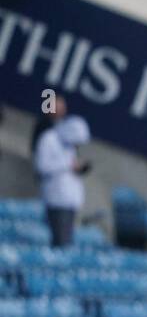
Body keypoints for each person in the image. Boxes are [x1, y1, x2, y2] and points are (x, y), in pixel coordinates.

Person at [32, 95, 89, 248]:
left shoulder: (68, 144)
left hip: (69, 198)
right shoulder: (47, 137)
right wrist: (68, 165)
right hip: (56, 197)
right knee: (60, 241)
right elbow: (42, 166)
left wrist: (78, 168)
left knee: (67, 241)